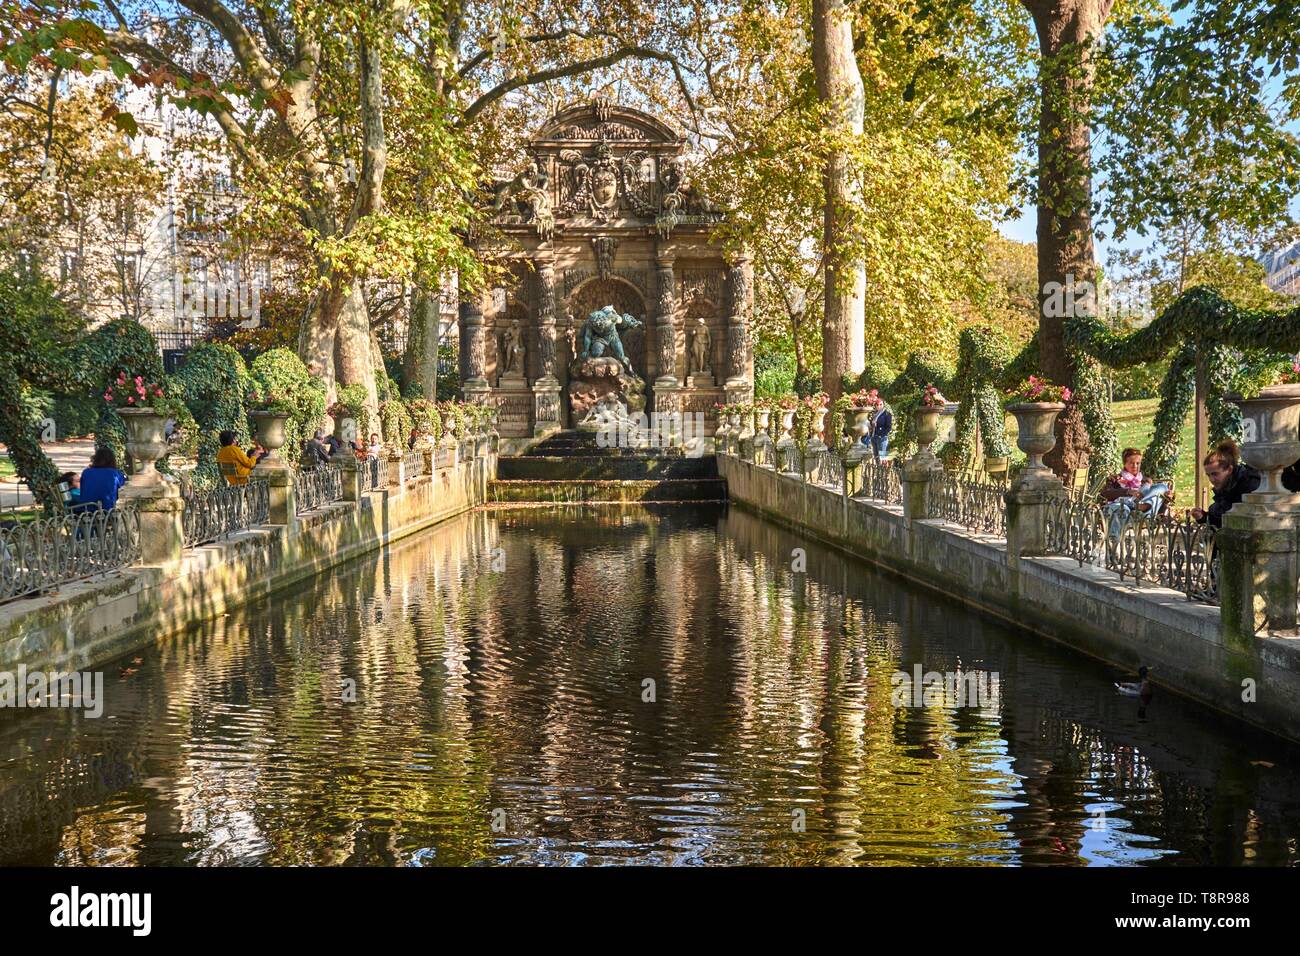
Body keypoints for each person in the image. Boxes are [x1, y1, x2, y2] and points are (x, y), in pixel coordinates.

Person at [1098, 448, 1171, 534]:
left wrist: (1166, 499)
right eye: (1131, 463)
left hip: (1144, 512)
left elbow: (1157, 502)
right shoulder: (1115, 479)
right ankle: (1114, 540)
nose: (1135, 466)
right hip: (1126, 506)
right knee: (1122, 509)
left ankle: (1142, 505)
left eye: (1138, 463)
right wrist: (1128, 491)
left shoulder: (1145, 480)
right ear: (1125, 463)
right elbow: (1106, 493)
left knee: (1161, 486)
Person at [1191, 440, 1261, 528]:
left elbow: (1232, 519)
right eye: (1208, 475)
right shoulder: (1226, 488)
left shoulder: (1249, 486)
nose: (1211, 479)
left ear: (1229, 470)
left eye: (1215, 474)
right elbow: (1221, 516)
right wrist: (1203, 517)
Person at [78, 447, 126, 513]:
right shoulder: (115, 473)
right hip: (107, 510)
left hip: (85, 510)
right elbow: (122, 487)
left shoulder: (86, 472)